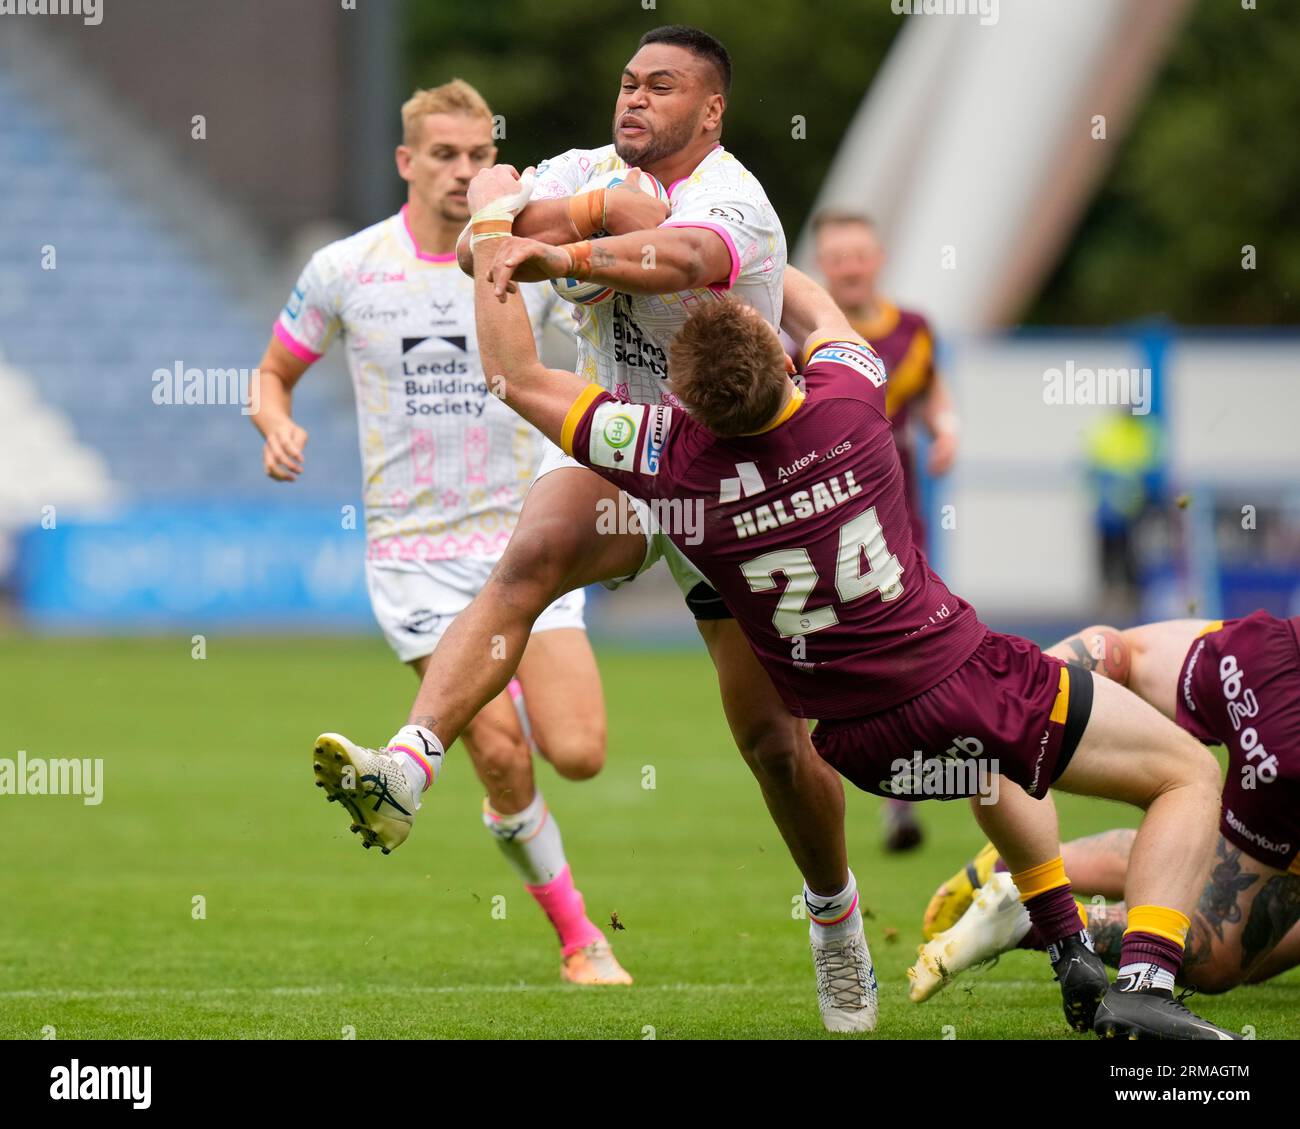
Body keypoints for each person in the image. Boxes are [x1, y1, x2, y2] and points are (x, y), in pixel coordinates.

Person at [384, 170, 1238, 1039]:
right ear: (780, 358)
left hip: (859, 743)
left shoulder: (672, 464)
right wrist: (741, 252)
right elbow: (822, 312)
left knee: (981, 763)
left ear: (686, 403)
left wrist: (493, 222)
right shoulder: (850, 404)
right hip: (956, 675)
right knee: (1185, 773)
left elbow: (515, 373)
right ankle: (1146, 980)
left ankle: (1066, 945)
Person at [311, 25, 876, 1033]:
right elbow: (509, 200)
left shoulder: (734, 201)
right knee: (530, 557)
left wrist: (561, 244)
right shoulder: (595, 167)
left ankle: (835, 922)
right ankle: (406, 766)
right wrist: (568, 210)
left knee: (772, 744)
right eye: (627, 82)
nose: (634, 99)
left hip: (728, 468)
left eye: (661, 88)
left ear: (710, 112)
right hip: (624, 441)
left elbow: (678, 257)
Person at [251, 79, 628, 985]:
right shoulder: (347, 268)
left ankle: (458, 792)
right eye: (446, 156)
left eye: (478, 155)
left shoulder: (520, 253)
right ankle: (582, 939)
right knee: (499, 751)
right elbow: (272, 371)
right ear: (407, 162)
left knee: (576, 751)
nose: (464, 172)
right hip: (415, 554)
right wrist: (276, 423)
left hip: (529, 536)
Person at [918, 614, 1300, 999]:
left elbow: (1116, 653)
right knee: (1217, 954)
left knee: (1128, 659)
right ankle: (1033, 916)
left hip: (1271, 655)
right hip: (1288, 752)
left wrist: (1015, 702)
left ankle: (1014, 863)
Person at [812, 210, 961, 853]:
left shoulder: (914, 331)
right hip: (820, 523)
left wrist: (947, 429)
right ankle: (825, 786)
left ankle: (899, 793)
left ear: (878, 260)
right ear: (822, 263)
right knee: (827, 660)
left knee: (909, 652)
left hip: (898, 520)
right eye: (836, 256)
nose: (848, 266)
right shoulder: (799, 333)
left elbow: (934, 396)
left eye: (858, 254)